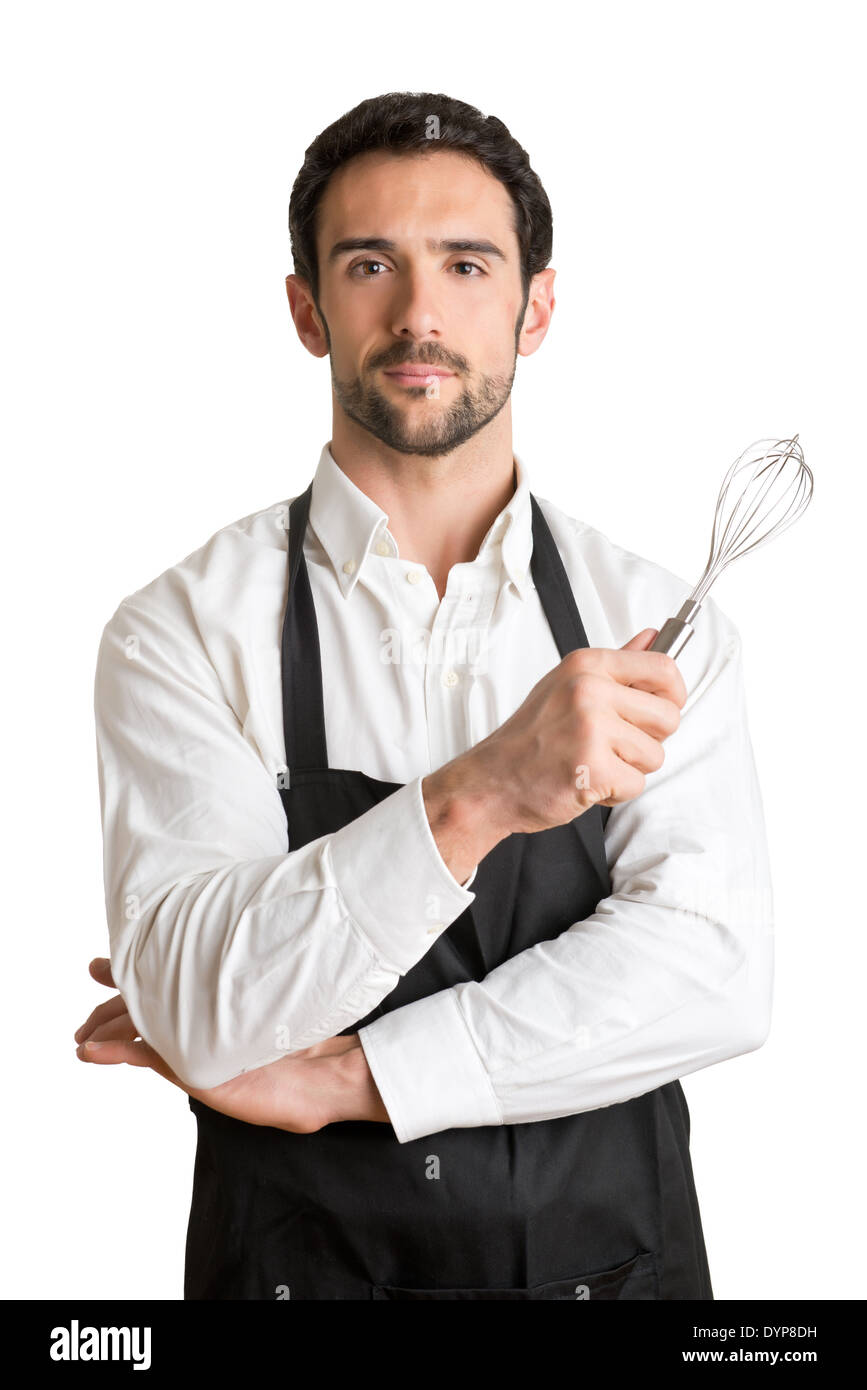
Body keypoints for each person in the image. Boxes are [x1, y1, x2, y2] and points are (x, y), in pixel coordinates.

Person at [76, 91, 774, 1301]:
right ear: (307, 308)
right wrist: (484, 793)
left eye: (466, 263)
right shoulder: (180, 632)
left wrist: (353, 1077)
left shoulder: (662, 621)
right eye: (369, 265)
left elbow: (712, 971)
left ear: (535, 306)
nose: (420, 313)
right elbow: (197, 1001)